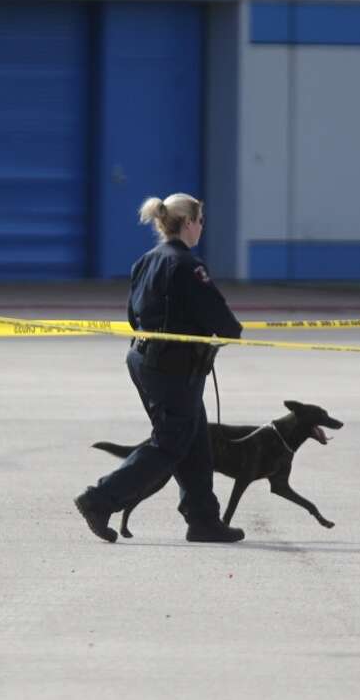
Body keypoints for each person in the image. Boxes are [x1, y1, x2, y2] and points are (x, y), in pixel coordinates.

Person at [74, 193, 245, 544]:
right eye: (200, 221)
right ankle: (99, 499)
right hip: (173, 368)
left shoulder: (145, 261)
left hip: (146, 359)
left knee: (194, 439)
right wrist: (222, 335)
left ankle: (203, 520)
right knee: (169, 444)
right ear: (187, 223)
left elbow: (133, 317)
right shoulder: (187, 266)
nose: (202, 228)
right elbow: (225, 323)